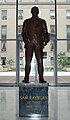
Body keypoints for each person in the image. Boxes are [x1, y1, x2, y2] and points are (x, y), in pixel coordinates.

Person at [21, 6, 50, 83]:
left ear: (38, 12)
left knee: (40, 62)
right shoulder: (26, 22)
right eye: (33, 10)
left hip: (39, 44)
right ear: (31, 12)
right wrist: (26, 41)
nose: (35, 12)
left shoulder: (42, 22)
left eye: (36, 10)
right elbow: (23, 33)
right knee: (28, 62)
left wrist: (46, 40)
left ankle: (41, 78)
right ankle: (26, 78)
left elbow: (45, 32)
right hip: (29, 44)